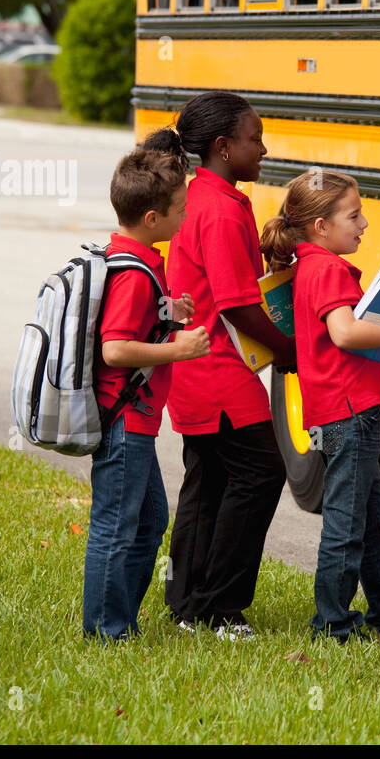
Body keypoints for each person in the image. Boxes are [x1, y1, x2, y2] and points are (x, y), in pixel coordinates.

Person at [143, 92, 295, 640]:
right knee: (259, 473)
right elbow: (236, 304)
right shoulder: (225, 206)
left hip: (189, 369)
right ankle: (221, 608)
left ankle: (186, 602)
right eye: (255, 138)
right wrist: (286, 348)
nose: (264, 147)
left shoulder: (194, 196)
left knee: (207, 482)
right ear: (224, 147)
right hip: (219, 373)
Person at [260, 170, 380, 642]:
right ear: (320, 226)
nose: (364, 223)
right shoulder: (329, 269)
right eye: (353, 215)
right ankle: (331, 624)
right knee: (346, 523)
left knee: (372, 519)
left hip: (342, 411)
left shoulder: (309, 264)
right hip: (351, 412)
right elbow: (345, 333)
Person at [83, 148, 210, 641]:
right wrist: (180, 348)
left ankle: (121, 621)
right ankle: (107, 630)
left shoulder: (131, 256)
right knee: (116, 528)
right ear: (153, 217)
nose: (186, 215)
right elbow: (115, 350)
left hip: (135, 420)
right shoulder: (134, 273)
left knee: (150, 519)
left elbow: (133, 323)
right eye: (180, 208)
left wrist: (168, 312)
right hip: (124, 421)